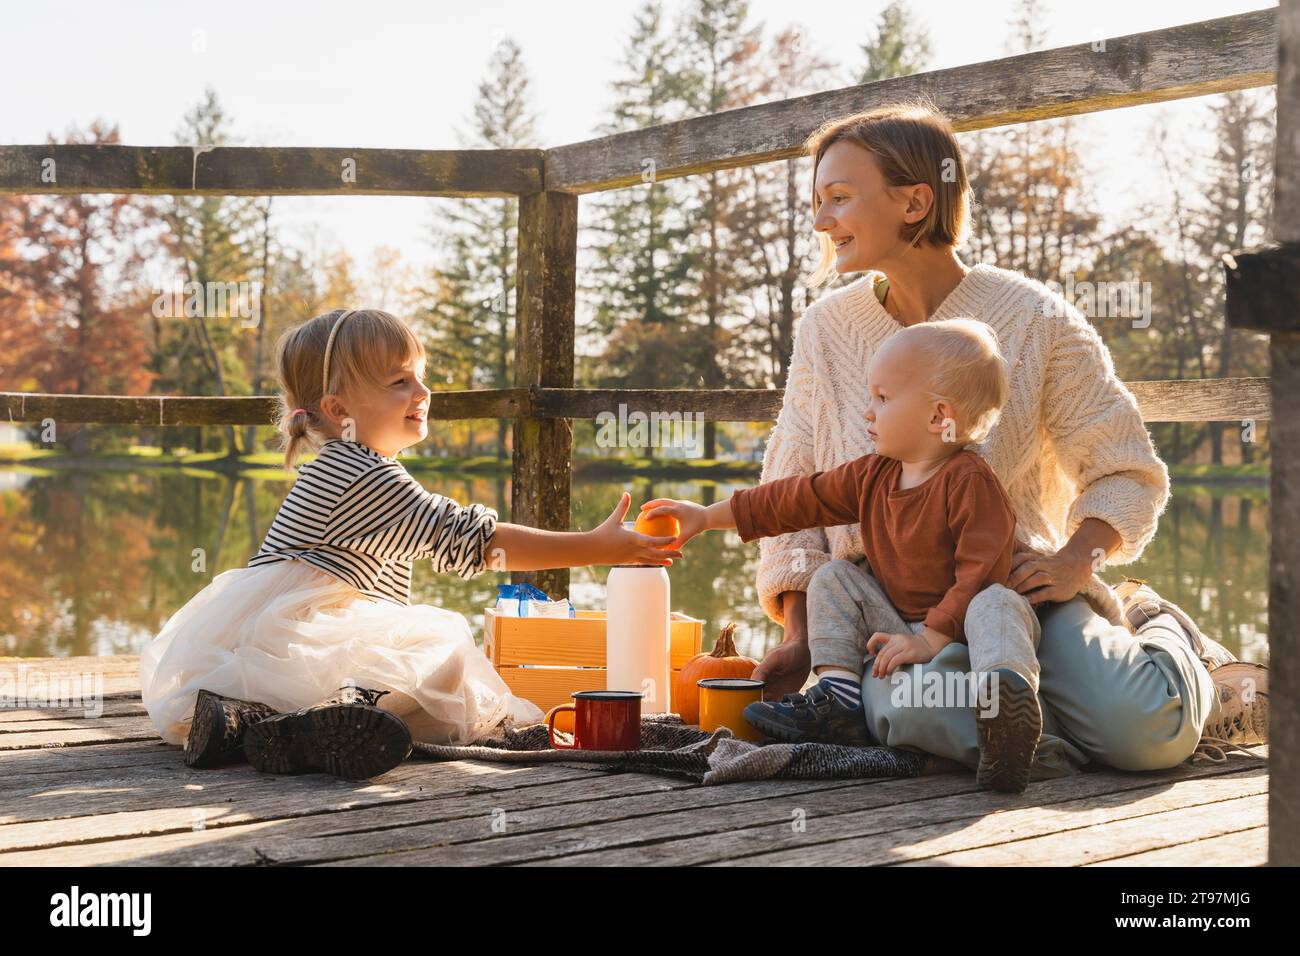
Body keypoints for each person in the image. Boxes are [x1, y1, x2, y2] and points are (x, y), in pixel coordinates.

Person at [741, 102, 1266, 779]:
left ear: (915, 201)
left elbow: (1124, 469)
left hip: (1020, 594)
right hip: (897, 613)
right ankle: (1044, 715)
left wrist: (1079, 558)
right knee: (916, 716)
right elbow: (791, 501)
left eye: (838, 198)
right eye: (816, 202)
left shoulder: (1037, 318)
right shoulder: (826, 329)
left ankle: (1165, 636)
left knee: (1147, 736)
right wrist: (799, 636)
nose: (820, 221)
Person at [139, 308, 681, 779]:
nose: (422, 393)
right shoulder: (362, 475)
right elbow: (474, 540)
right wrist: (600, 545)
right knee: (442, 656)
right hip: (291, 640)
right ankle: (308, 720)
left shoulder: (346, 465)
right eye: (399, 381)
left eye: (420, 377)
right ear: (338, 409)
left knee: (419, 664)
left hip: (251, 647)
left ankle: (249, 722)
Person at [642, 318, 1100, 793]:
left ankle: (1004, 712)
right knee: (834, 576)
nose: (868, 412)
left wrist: (934, 637)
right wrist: (707, 516)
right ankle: (840, 701)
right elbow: (795, 499)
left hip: (969, 628)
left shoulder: (969, 481)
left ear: (939, 417)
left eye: (883, 398)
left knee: (999, 602)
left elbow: (981, 571)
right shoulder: (873, 475)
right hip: (902, 624)